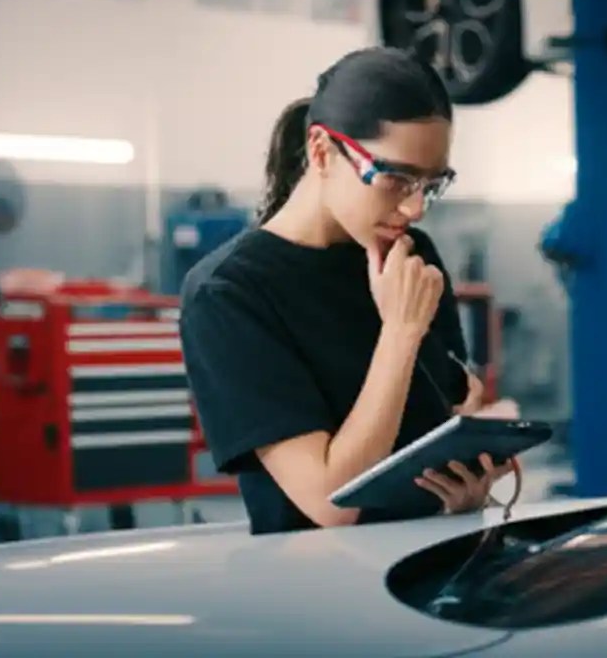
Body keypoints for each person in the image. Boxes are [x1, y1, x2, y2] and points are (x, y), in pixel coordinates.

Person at [178, 47, 514, 535]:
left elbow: (453, 407)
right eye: (396, 178)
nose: (416, 207)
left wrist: (466, 485)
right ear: (321, 152)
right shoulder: (229, 293)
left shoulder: (410, 250)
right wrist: (400, 333)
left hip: (434, 557)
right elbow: (332, 502)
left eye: (432, 183)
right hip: (324, 586)